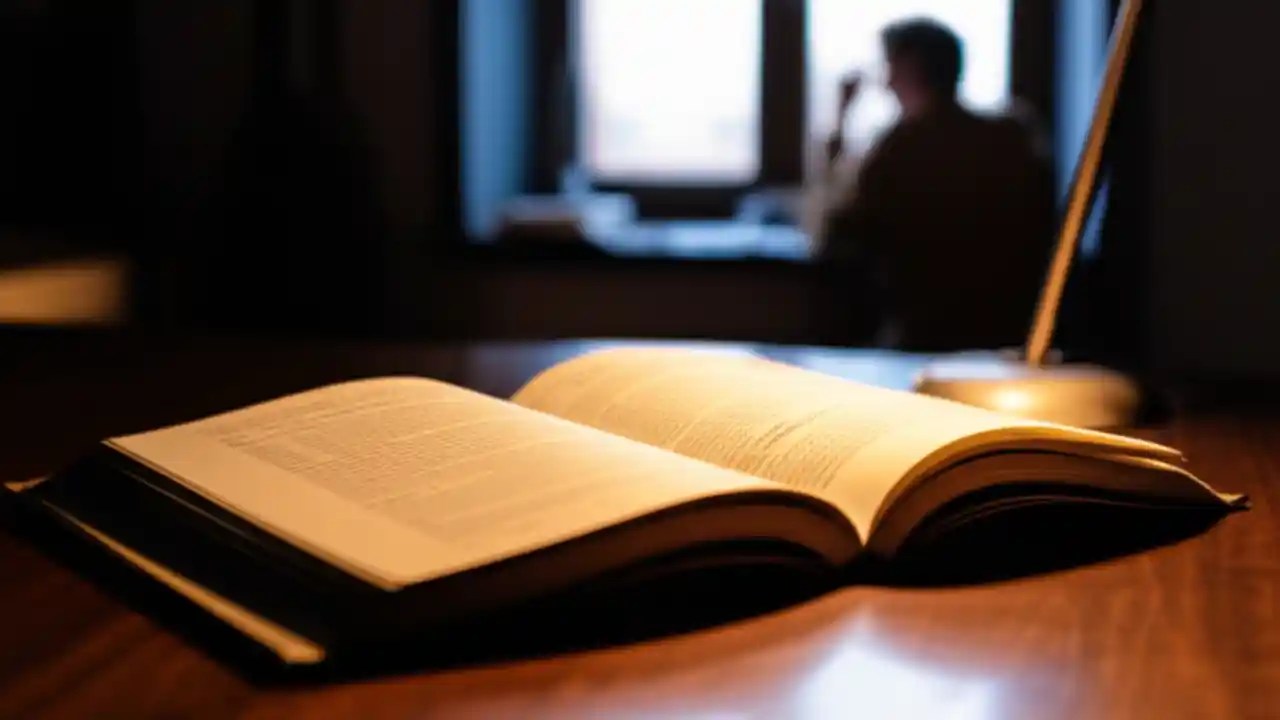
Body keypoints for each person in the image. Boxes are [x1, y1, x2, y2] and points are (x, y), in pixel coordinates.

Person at [818, 19, 1055, 351]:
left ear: (908, 70)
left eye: (890, 68)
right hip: (1012, 336)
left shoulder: (900, 148)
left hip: (920, 338)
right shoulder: (1012, 136)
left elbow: (830, 233)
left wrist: (840, 121)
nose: (886, 83)